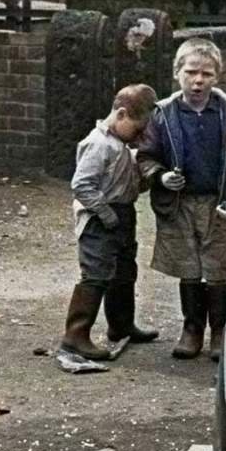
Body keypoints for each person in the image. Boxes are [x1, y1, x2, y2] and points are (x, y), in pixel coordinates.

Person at [139, 37, 226, 360]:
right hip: (180, 203)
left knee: (218, 266)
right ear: (177, 73)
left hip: (219, 202)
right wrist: (160, 176)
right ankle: (191, 329)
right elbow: (146, 156)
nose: (198, 81)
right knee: (188, 265)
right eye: (191, 73)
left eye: (206, 74)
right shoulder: (164, 113)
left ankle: (219, 330)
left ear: (217, 77)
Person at [62, 83, 155, 372]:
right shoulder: (98, 144)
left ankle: (121, 325)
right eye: (138, 129)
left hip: (123, 213)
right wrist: (105, 214)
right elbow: (82, 186)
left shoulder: (123, 145)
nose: (140, 136)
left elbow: (129, 184)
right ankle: (75, 335)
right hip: (98, 218)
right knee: (96, 273)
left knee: (125, 270)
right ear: (122, 114)